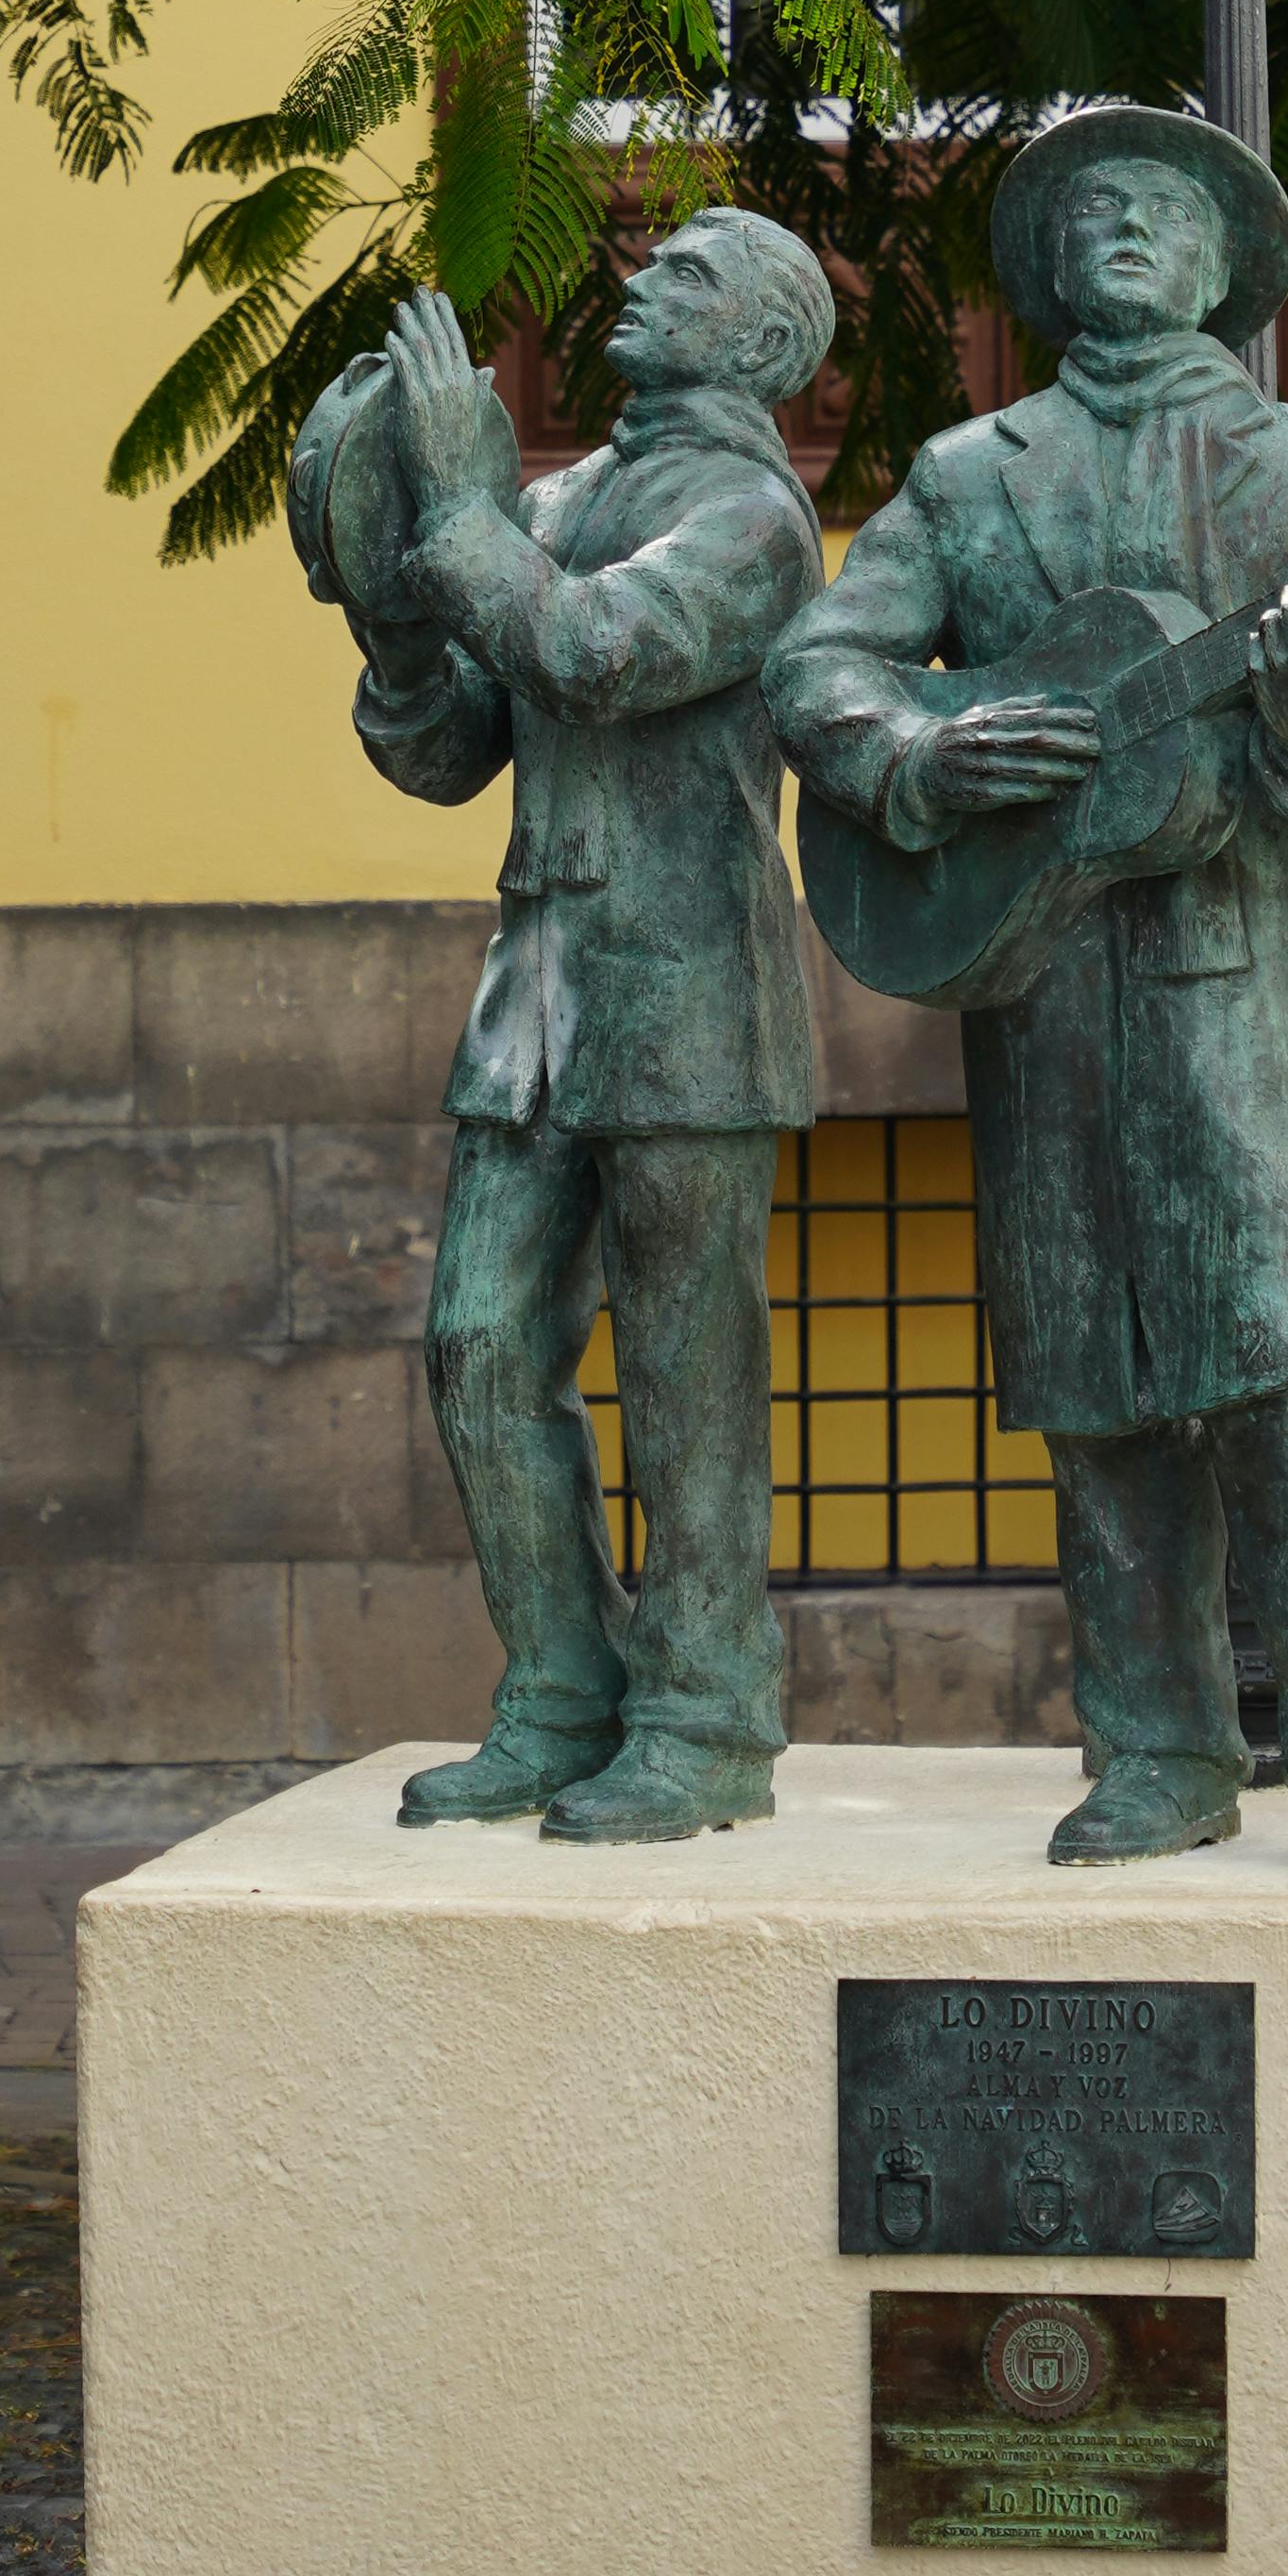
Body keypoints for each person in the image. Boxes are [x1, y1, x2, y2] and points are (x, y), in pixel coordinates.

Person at [766, 105, 1288, 1882]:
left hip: (1238, 977)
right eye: (1092, 210)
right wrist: (926, 749)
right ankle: (1153, 1747)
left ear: (1229, 264)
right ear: (1046, 264)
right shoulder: (968, 470)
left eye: (1163, 208)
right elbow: (824, 663)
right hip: (1046, 974)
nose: (1126, 230)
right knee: (1094, 1381)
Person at [329, 207, 835, 1843]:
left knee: (689, 1371)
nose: (640, 284)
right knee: (477, 1342)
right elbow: (445, 749)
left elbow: (597, 649)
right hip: (538, 990)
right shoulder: (551, 502)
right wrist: (397, 599)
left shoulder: (754, 519)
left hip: (688, 990)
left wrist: (465, 518)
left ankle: (705, 1718)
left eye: (689, 275)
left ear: (762, 345)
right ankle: (560, 1690)